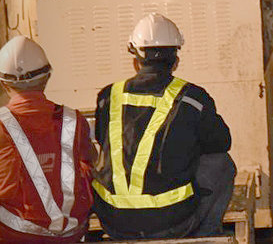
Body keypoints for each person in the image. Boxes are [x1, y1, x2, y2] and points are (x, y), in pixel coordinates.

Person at [92, 13, 235, 239]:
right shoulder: (193, 98)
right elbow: (222, 142)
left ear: (135, 60)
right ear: (176, 60)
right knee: (221, 163)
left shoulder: (108, 96)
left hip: (114, 222)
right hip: (172, 222)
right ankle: (206, 234)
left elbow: (103, 140)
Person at [0, 36, 95, 243]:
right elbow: (89, 160)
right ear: (47, 77)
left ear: (3, 83)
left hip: (13, 234)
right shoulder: (74, 120)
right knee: (84, 167)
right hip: (71, 232)